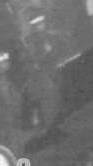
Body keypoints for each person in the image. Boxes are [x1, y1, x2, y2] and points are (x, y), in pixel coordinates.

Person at [21, 10, 64, 148]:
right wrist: (44, 53)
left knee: (55, 104)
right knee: (47, 107)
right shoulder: (30, 41)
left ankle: (54, 130)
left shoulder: (49, 36)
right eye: (38, 24)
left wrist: (53, 50)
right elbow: (31, 62)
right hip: (41, 79)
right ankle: (48, 134)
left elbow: (57, 53)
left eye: (42, 23)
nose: (41, 25)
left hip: (53, 74)